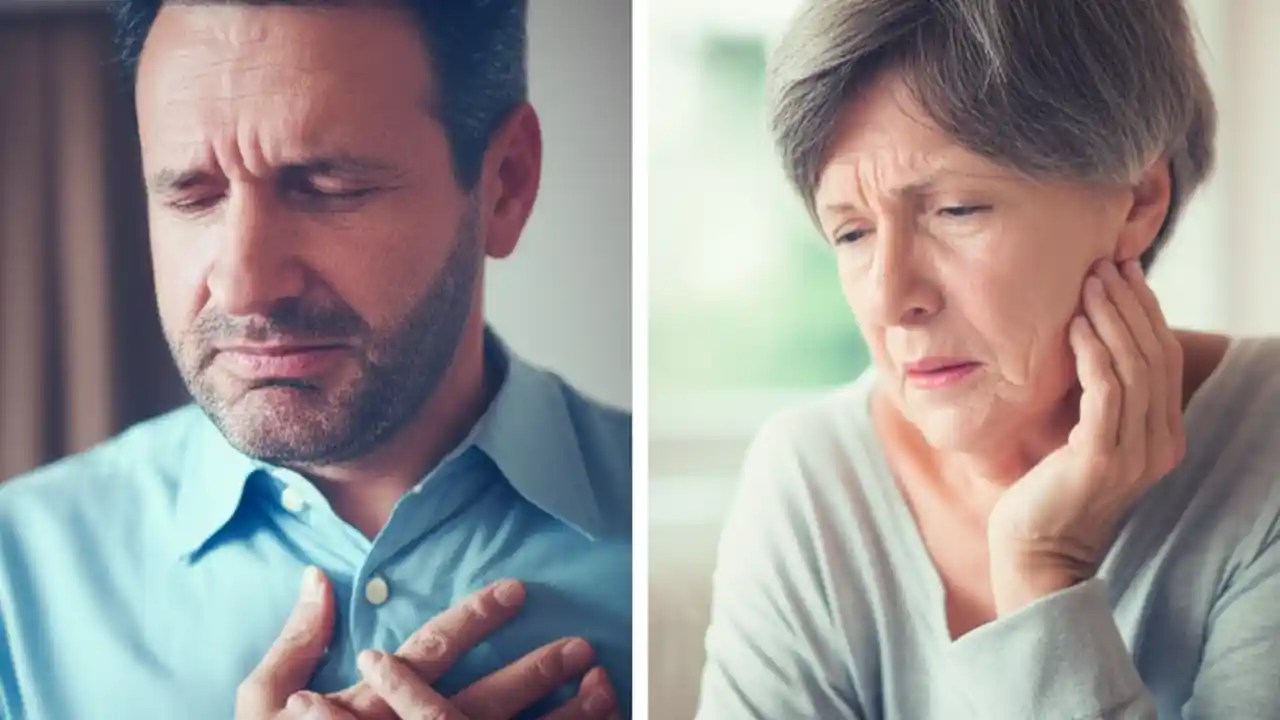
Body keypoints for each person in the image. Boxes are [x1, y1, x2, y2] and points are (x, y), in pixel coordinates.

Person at [0, 2, 630, 718]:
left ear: (506, 184)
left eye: (328, 188)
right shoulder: (14, 580)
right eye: (190, 195)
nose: (243, 284)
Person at [696, 1, 1279, 718]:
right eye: (851, 232)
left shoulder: (1267, 451)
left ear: (1137, 199)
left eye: (957, 210)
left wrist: (1042, 571)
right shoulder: (813, 478)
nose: (889, 297)